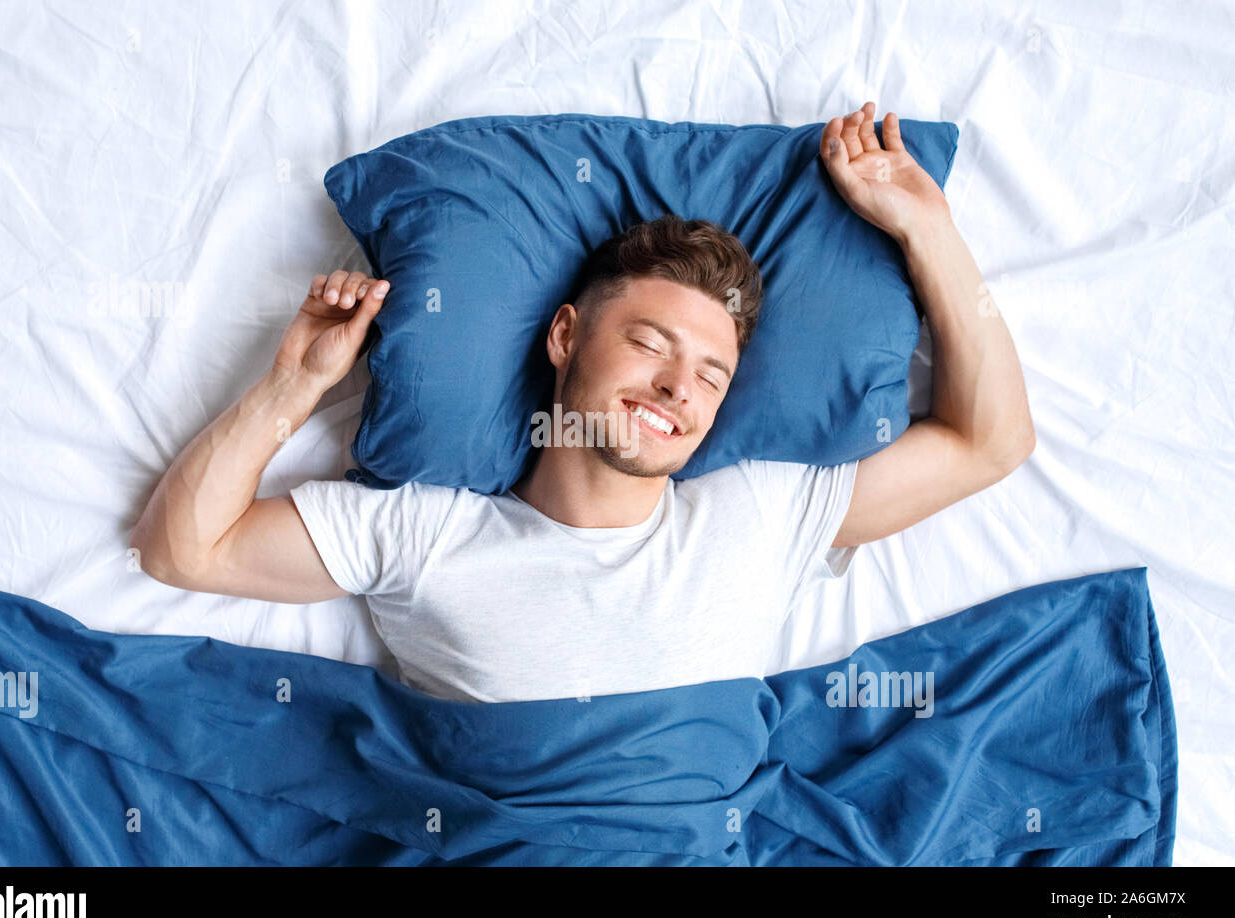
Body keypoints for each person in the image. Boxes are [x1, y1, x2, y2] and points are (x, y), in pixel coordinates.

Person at [130, 102, 1035, 703]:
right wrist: (292, 390)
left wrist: (927, 228)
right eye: (649, 344)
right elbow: (181, 551)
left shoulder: (762, 516)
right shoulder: (423, 532)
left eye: (712, 376)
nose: (680, 388)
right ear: (565, 338)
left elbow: (991, 440)